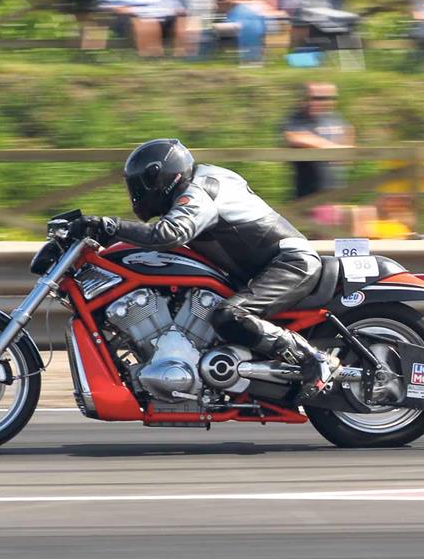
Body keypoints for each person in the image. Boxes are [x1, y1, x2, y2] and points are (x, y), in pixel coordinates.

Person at [68, 139, 338, 400]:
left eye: (140, 185)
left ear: (159, 178)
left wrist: (111, 225)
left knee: (229, 315)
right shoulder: (199, 183)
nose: (137, 193)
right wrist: (102, 235)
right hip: (262, 269)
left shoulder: (199, 191)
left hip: (289, 263)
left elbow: (170, 233)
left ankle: (312, 358)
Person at [282, 83, 355, 199]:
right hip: (308, 194)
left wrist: (346, 151)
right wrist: (334, 149)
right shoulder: (298, 118)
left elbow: (348, 131)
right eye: (314, 98)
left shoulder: (334, 117)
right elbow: (295, 137)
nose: (319, 102)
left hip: (336, 191)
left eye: (327, 98)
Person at [99, 0, 184, 57]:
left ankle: (182, 57)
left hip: (164, 21)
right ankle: (152, 57)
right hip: (132, 22)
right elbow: (106, 8)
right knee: (147, 22)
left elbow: (178, 9)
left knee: (185, 22)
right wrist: (126, 10)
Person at [219, 0, 284, 65]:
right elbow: (225, 10)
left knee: (255, 21)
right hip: (238, 22)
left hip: (261, 21)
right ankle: (252, 58)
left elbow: (273, 12)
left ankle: (253, 58)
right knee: (248, 19)